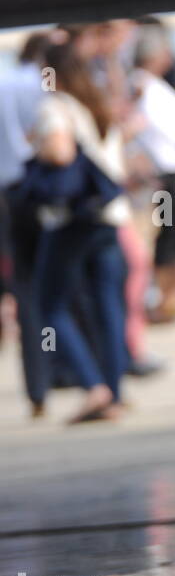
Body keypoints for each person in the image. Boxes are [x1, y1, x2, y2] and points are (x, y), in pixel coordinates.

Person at [26, 42, 131, 424]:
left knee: (49, 304)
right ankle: (114, 393)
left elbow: (61, 153)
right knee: (109, 309)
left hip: (72, 220)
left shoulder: (55, 108)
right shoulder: (99, 106)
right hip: (109, 217)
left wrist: (36, 149)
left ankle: (94, 387)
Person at [129, 24, 175, 321]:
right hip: (166, 172)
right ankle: (167, 296)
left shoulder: (154, 84)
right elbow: (172, 129)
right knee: (169, 237)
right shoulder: (141, 85)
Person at [0, 31, 54, 416]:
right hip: (35, 193)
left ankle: (39, 387)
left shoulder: (4, 82)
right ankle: (59, 373)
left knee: (22, 289)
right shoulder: (42, 87)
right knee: (50, 286)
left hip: (7, 195)